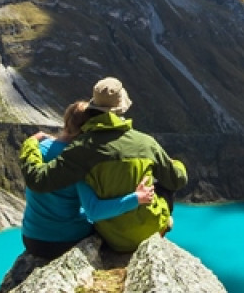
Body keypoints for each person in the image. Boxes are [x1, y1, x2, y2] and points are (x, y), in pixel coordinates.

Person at [20, 77, 188, 253]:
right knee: (164, 185)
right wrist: (174, 165)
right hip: (140, 226)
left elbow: (39, 180)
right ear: (122, 107)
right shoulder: (146, 142)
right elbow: (177, 180)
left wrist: (30, 143)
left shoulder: (81, 149)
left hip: (48, 237)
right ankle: (162, 225)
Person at [21, 100, 155, 260]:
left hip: (31, 238)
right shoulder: (78, 159)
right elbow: (94, 210)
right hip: (63, 242)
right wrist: (136, 198)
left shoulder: (39, 147)